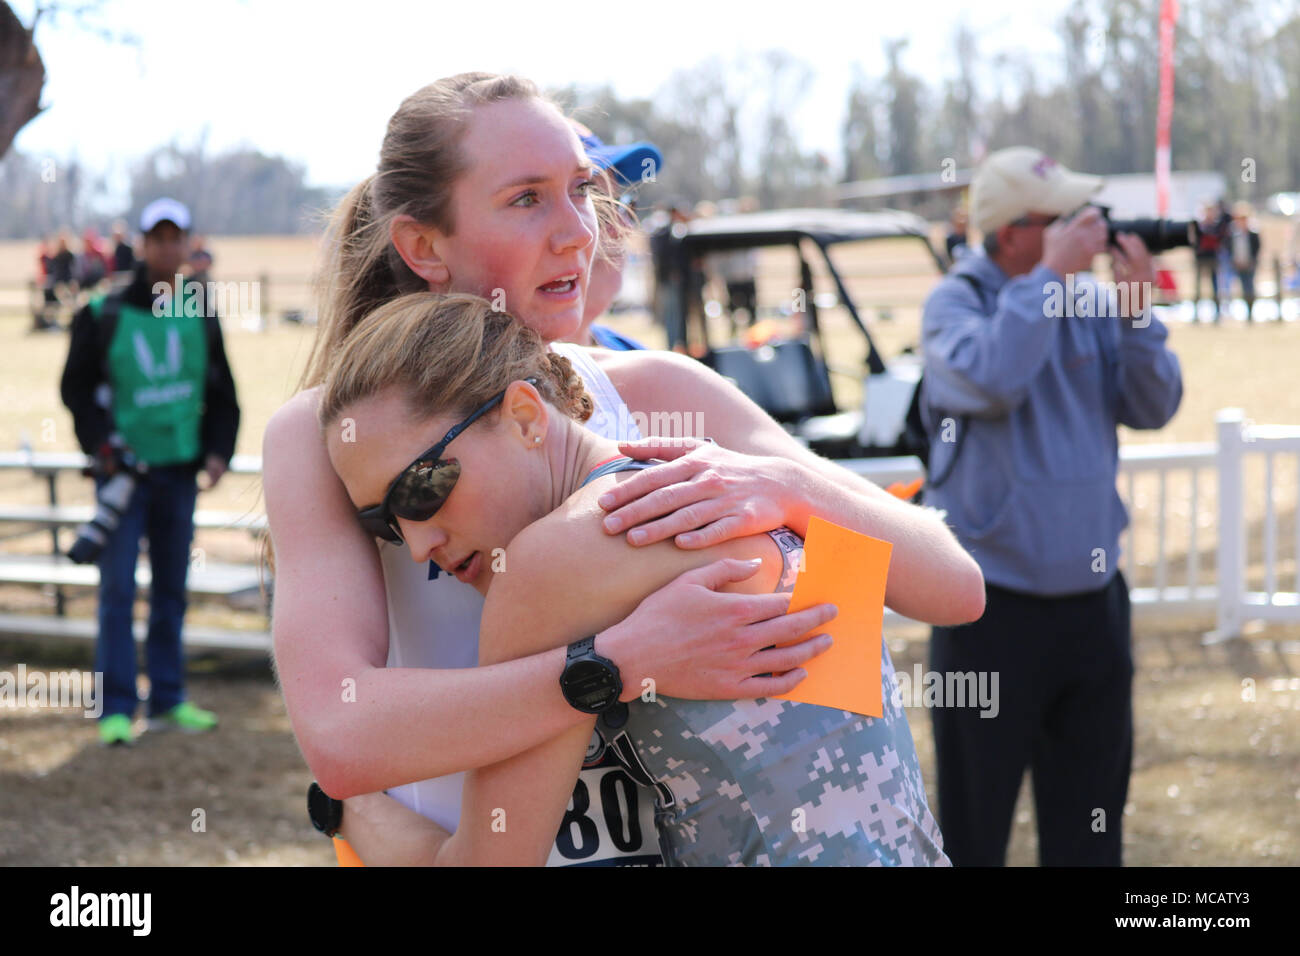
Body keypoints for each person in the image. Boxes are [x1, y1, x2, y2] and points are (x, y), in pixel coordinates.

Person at [262, 73, 984, 866]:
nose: (578, 230)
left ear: (531, 418)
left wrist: (788, 486)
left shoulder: (662, 392)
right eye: (526, 199)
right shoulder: (331, 431)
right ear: (423, 246)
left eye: (580, 189)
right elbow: (338, 730)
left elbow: (947, 584)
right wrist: (618, 665)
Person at [317, 292, 949, 866]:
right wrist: (795, 485)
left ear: (525, 417)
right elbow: (959, 591)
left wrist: (347, 806)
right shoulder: (737, 494)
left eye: (422, 488)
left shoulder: (548, 567)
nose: (420, 543)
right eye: (385, 522)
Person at [920, 147, 1183, 866]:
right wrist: (1047, 282)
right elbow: (994, 377)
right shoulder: (955, 304)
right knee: (975, 834)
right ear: (1011, 232)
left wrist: (1137, 315)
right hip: (987, 613)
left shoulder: (1089, 301)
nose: (1090, 229)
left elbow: (1154, 405)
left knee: (1090, 836)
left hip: (1094, 607)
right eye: (1067, 217)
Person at [60, 197, 240, 746]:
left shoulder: (201, 310)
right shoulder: (103, 312)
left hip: (178, 473)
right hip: (125, 477)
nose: (167, 247)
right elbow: (75, 389)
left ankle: (167, 697)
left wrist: (217, 451)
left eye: (176, 237)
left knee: (171, 590)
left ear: (187, 244)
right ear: (142, 244)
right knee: (117, 591)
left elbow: (222, 391)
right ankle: (115, 705)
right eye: (157, 237)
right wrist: (100, 446)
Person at [568, 121, 659, 351]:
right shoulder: (488, 382)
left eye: (621, 205)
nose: (623, 227)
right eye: (599, 208)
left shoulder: (634, 356)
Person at [1227, 201, 1261, 322]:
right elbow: (1229, 248)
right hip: (1237, 264)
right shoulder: (1233, 233)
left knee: (1249, 287)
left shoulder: (1253, 233)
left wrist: (1252, 261)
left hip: (1250, 265)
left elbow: (1257, 249)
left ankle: (1251, 311)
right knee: (1238, 287)